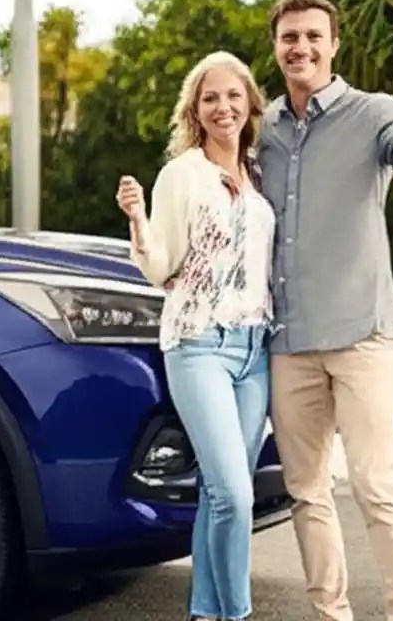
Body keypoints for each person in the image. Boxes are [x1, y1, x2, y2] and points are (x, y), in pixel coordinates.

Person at [256, 0, 393, 621]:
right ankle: (330, 613)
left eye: (314, 36)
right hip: (288, 341)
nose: (302, 47)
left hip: (362, 335)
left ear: (334, 45)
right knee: (306, 494)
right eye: (290, 37)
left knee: (375, 487)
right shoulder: (263, 129)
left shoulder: (371, 114)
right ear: (276, 47)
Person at [116, 50, 276, 621]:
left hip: (255, 350)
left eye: (233, 95)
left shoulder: (258, 172)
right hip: (198, 342)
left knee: (217, 491)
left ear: (249, 103)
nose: (223, 107)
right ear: (195, 109)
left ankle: (206, 613)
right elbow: (160, 266)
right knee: (236, 493)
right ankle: (237, 614)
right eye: (210, 97)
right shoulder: (181, 174)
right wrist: (137, 220)